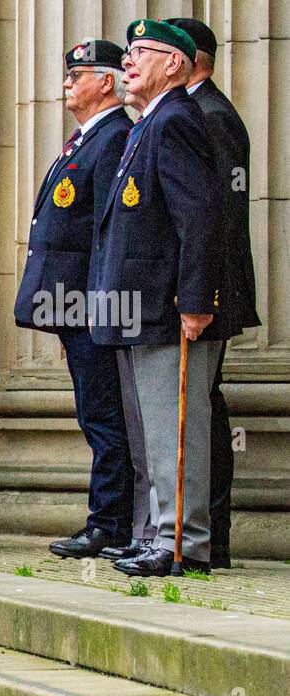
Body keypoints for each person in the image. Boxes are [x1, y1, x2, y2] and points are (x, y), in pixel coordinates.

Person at [90, 19, 221, 577]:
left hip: (169, 309)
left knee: (176, 429)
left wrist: (196, 299)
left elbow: (200, 220)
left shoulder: (175, 123)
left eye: (142, 52)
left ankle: (183, 542)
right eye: (129, 53)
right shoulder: (150, 124)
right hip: (141, 307)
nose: (129, 61)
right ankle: (161, 533)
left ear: (175, 64)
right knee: (156, 430)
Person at [15, 40, 134, 560]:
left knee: (105, 417)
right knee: (95, 414)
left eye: (79, 73)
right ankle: (108, 518)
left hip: (92, 305)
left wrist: (91, 309)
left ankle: (110, 522)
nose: (68, 81)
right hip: (73, 305)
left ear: (107, 82)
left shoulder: (113, 138)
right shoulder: (86, 139)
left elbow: (108, 235)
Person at [165, 16, 261, 570]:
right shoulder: (195, 111)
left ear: (188, 59)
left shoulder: (210, 115)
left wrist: (199, 293)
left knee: (201, 407)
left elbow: (213, 215)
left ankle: (209, 535)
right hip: (200, 288)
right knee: (202, 406)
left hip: (209, 290)